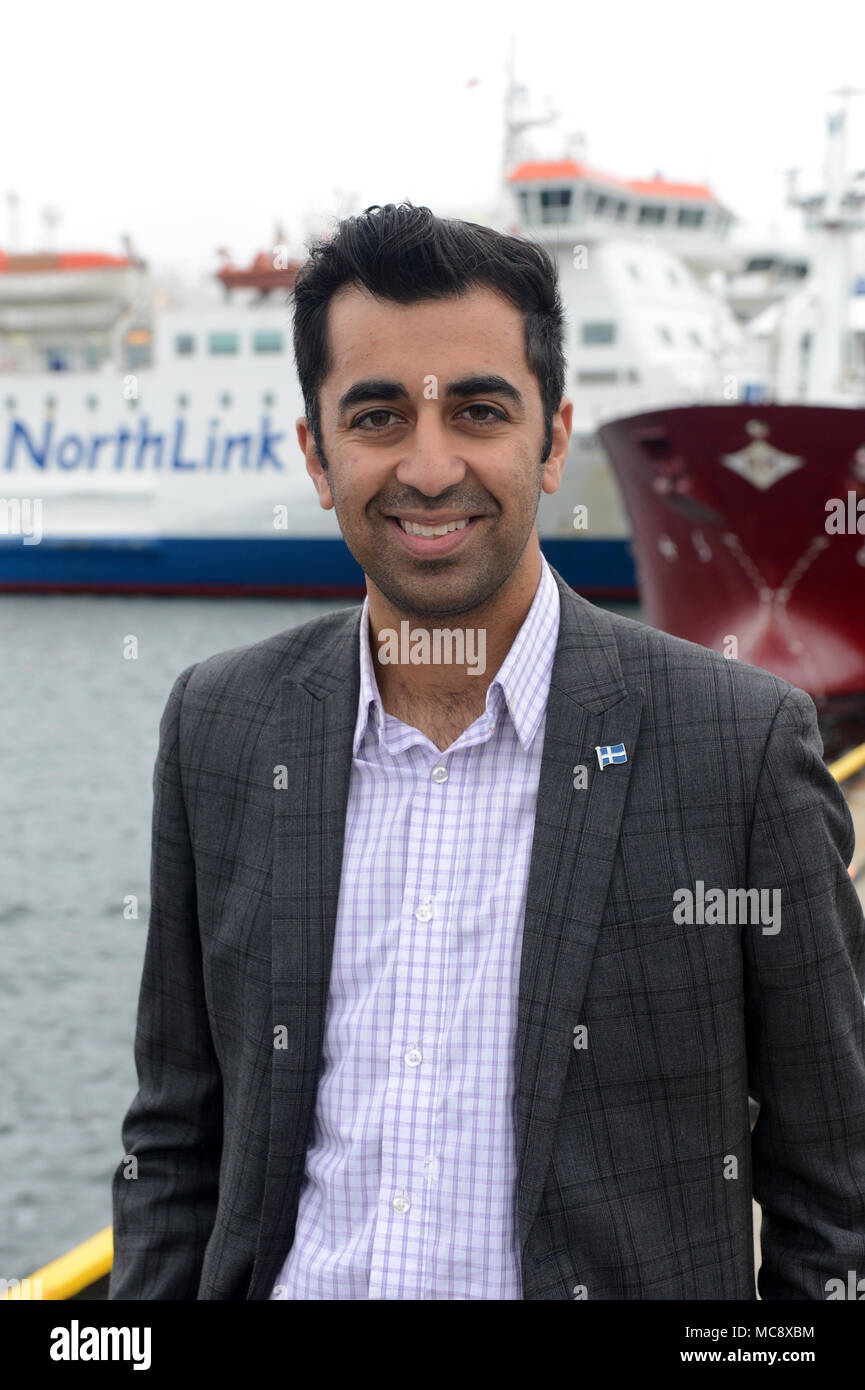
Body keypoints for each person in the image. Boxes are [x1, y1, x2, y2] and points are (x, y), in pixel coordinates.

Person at [109, 202, 865, 1300]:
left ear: (551, 440)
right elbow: (174, 1139)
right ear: (316, 457)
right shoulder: (219, 726)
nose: (426, 467)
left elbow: (834, 1195)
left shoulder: (740, 747)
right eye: (375, 417)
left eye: (476, 410)